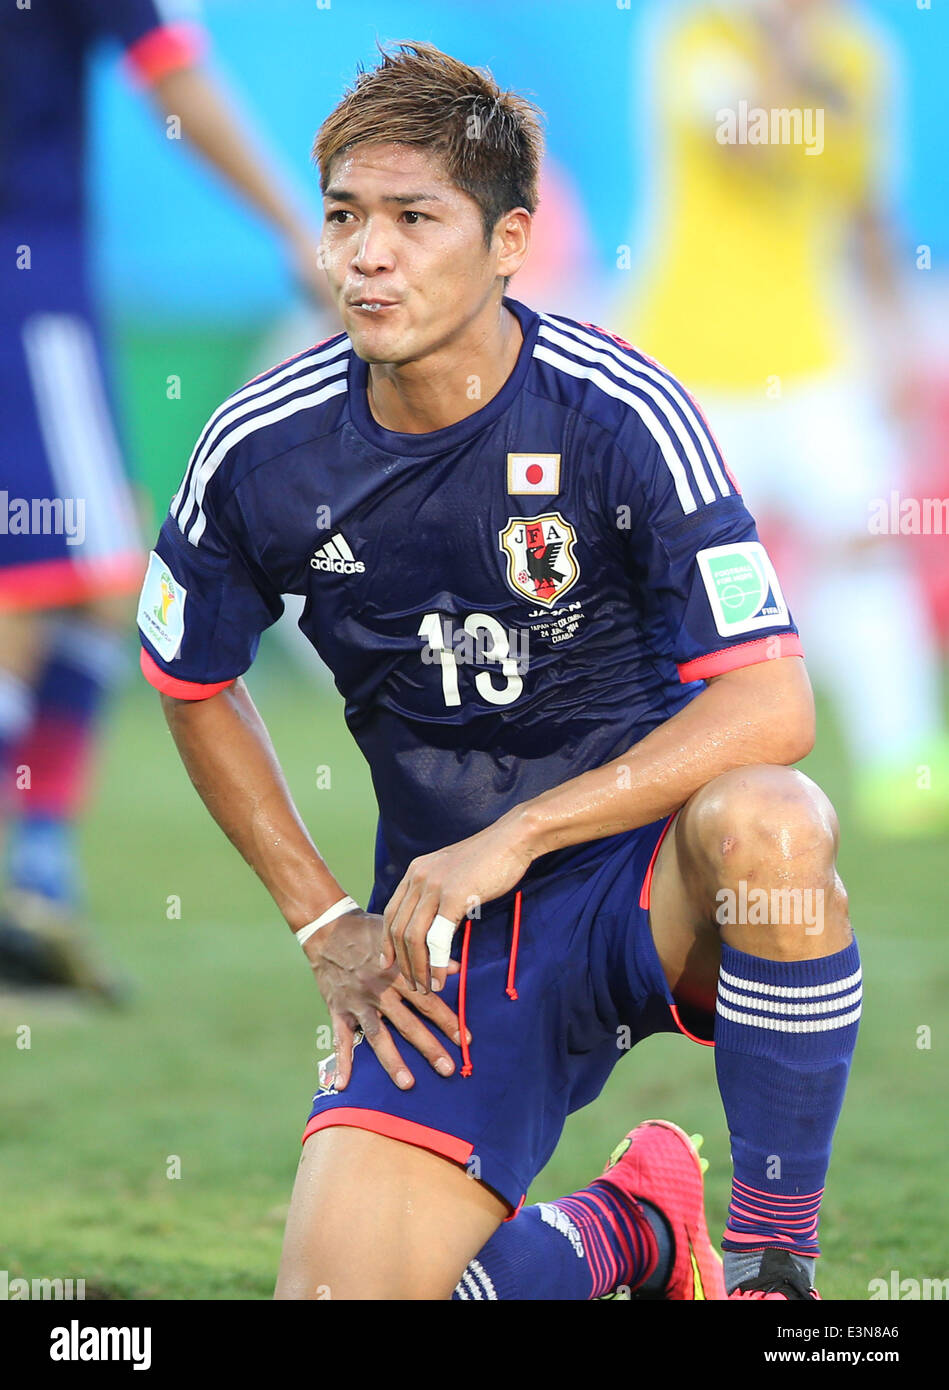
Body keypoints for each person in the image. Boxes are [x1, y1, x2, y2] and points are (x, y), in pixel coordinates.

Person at [141, 41, 859, 1301]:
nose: (368, 254)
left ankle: (768, 1264)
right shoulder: (262, 447)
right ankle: (630, 1233)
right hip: (452, 940)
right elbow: (190, 677)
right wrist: (321, 918)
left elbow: (773, 703)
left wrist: (521, 833)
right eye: (346, 218)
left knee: (774, 821)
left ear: (511, 239)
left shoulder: (618, 408)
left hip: (654, 873)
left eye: (414, 219)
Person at [0, 0, 330, 996]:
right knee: (67, 578)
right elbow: (171, 72)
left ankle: (38, 879)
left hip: (42, 270)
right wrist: (293, 226)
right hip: (25, 275)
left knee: (90, 573)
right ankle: (34, 877)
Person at [617, 0, 948, 837]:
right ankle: (645, 760)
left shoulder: (861, 53)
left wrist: (896, 339)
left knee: (865, 546)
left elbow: (867, 205)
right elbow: (749, 143)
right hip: (690, 361)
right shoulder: (695, 36)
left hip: (814, 356)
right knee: (671, 570)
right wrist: (790, 50)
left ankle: (902, 765)